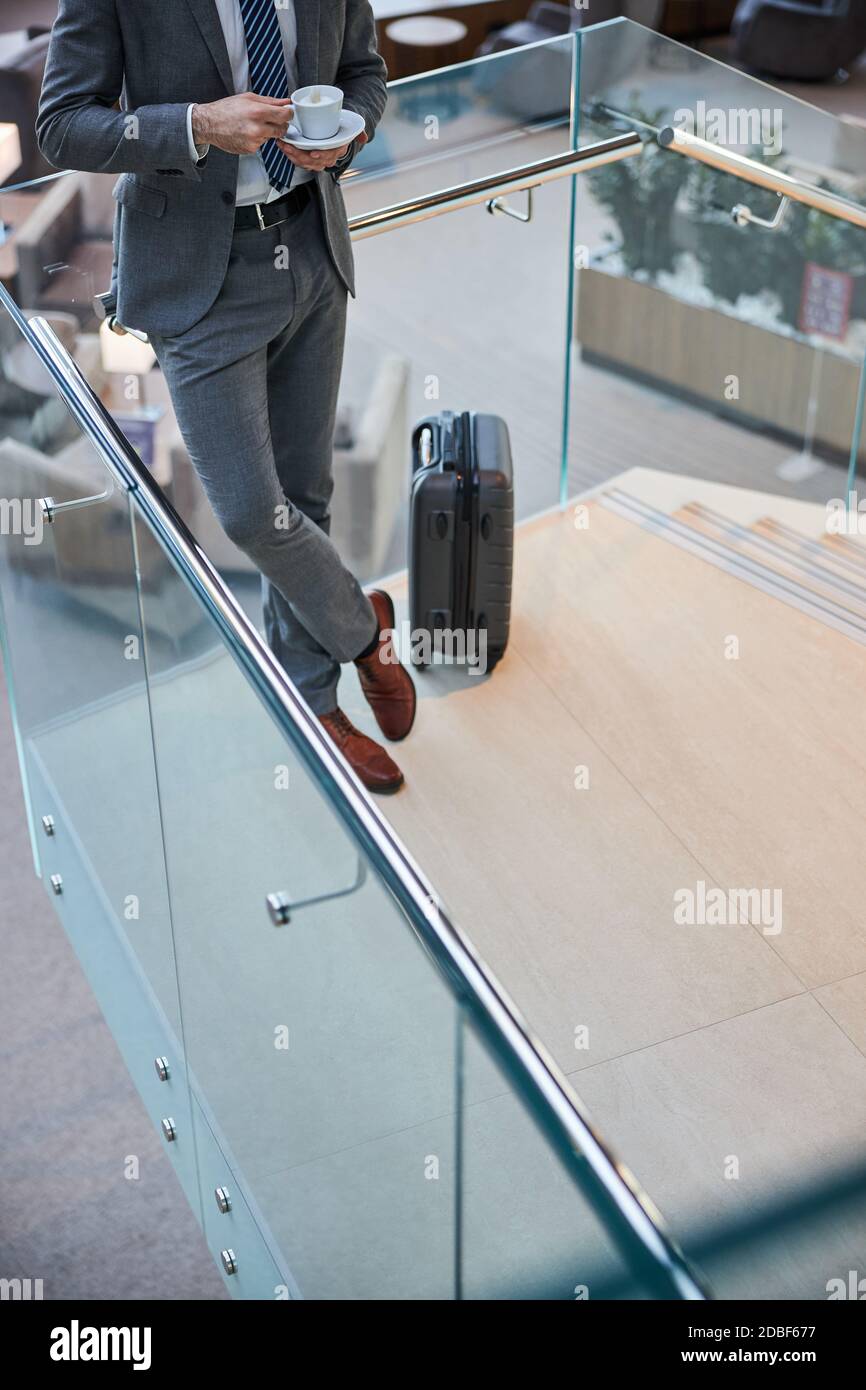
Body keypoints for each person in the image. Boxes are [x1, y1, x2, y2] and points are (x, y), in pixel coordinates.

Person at [37, 0, 416, 794]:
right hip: (197, 281)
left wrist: (350, 134)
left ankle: (313, 704)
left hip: (311, 249)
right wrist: (197, 125)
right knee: (251, 511)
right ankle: (361, 628)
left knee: (303, 500)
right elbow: (62, 125)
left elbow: (364, 76)